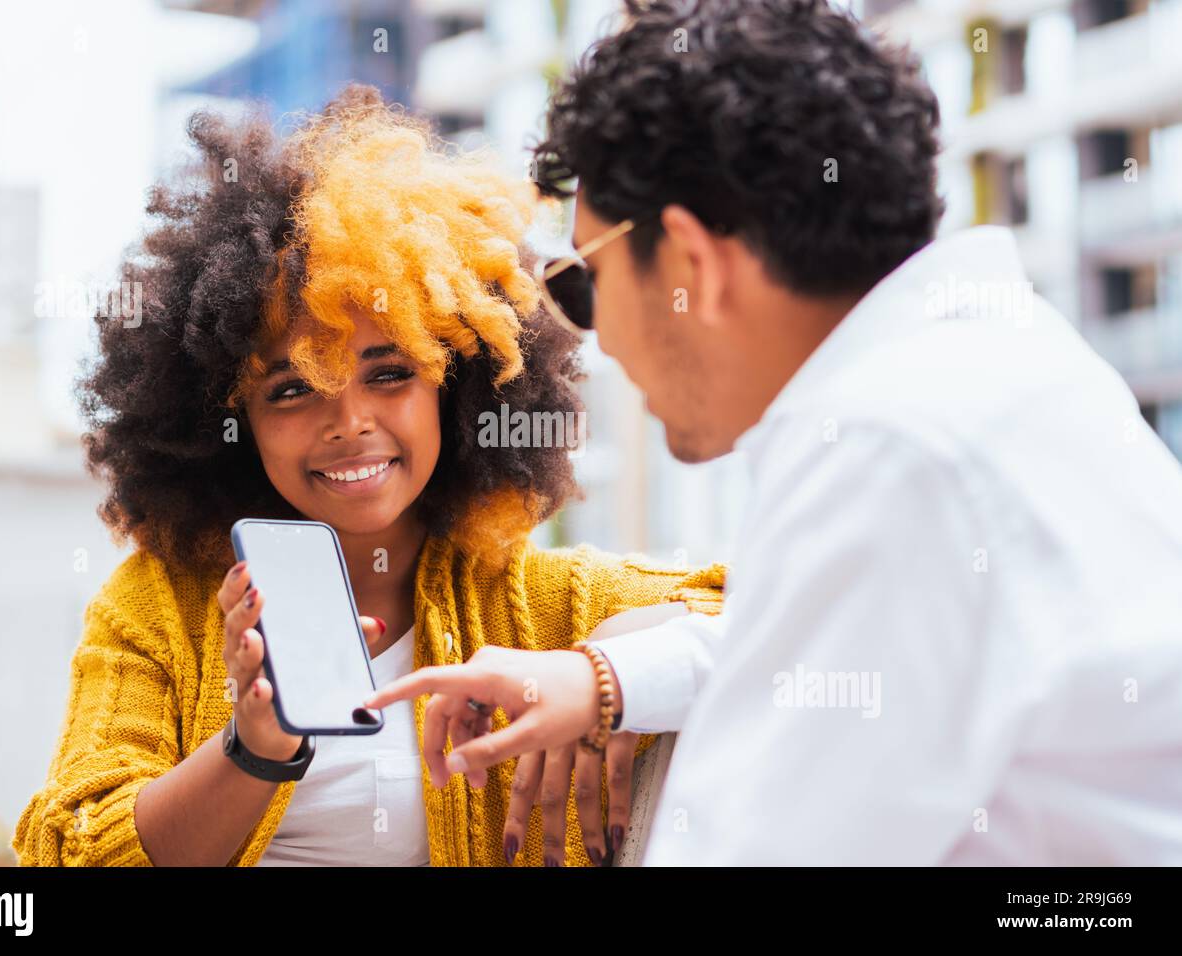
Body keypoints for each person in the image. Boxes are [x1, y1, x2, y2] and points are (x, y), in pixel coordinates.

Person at [364, 0, 1182, 864]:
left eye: (585, 283)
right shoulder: (983, 369)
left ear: (689, 264)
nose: (593, 336)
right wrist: (609, 679)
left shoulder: (894, 449)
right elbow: (857, 660)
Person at [12, 86, 727, 868]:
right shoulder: (157, 610)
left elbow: (801, 615)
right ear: (227, 420)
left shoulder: (549, 607)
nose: (349, 421)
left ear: (456, 389)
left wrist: (605, 669)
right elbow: (71, 852)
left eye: (388, 374)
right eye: (290, 390)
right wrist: (257, 745)